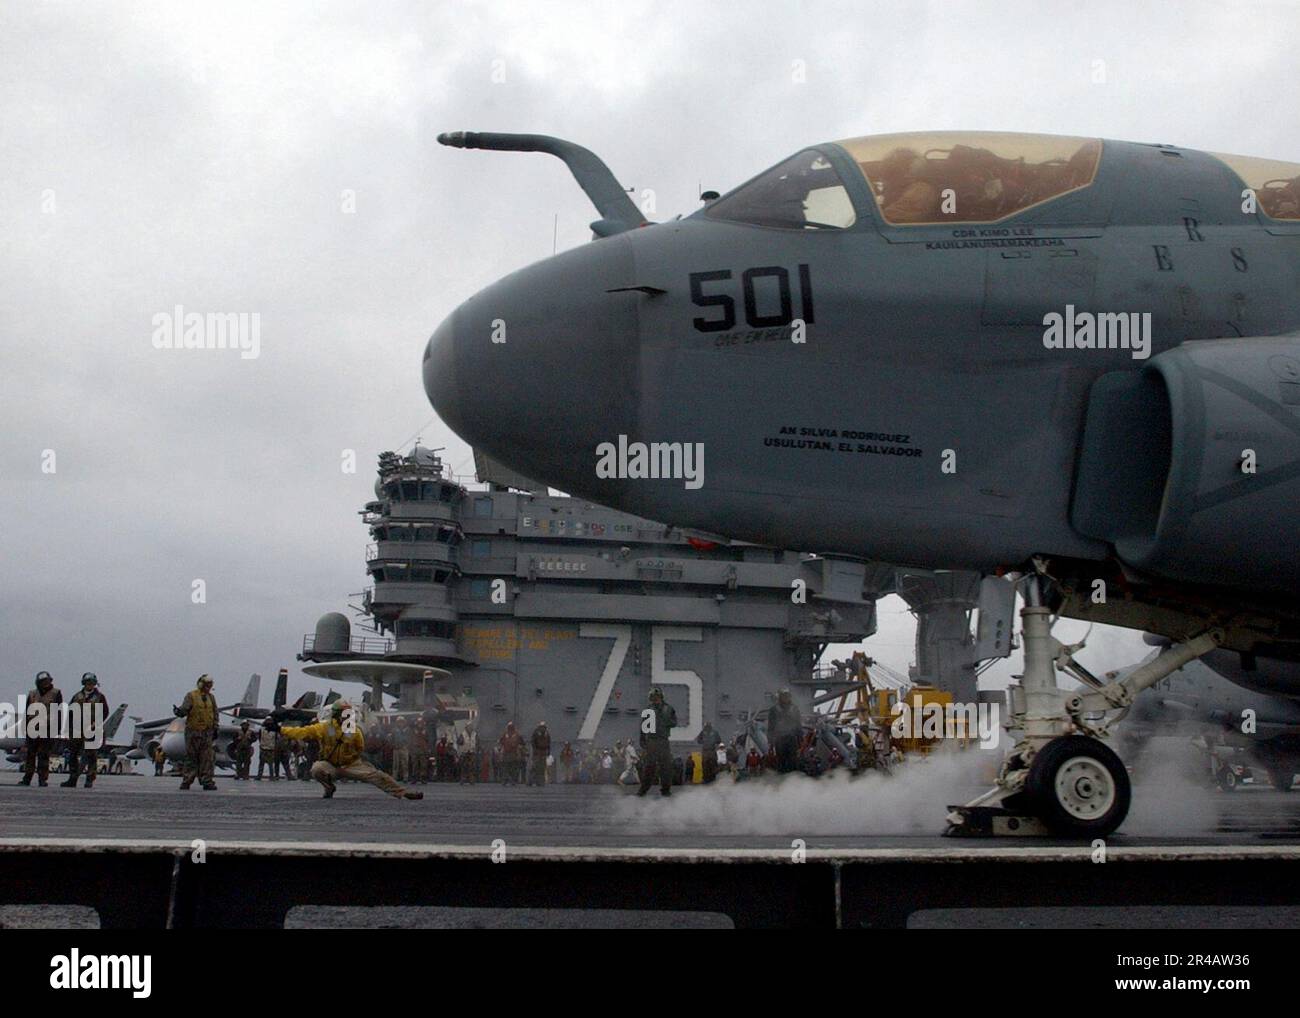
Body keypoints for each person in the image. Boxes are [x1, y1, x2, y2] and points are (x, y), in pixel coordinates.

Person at [272, 702, 422, 800]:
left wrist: (353, 759)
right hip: (331, 764)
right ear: (338, 714)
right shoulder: (325, 727)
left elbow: (360, 747)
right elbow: (303, 732)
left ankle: (402, 792)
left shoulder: (353, 729)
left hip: (351, 764)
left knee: (378, 776)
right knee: (317, 769)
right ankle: (329, 787)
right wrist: (280, 729)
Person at [63, 672, 109, 788]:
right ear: (84, 683)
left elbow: (104, 712)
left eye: (92, 683)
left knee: (91, 755)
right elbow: (70, 712)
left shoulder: (99, 697)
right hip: (77, 730)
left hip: (92, 730)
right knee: (72, 755)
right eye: (88, 683)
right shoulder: (77, 696)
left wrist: (95, 724)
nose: (90, 685)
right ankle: (73, 778)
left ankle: (89, 779)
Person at [175, 674, 219, 790]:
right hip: (193, 732)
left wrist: (215, 728)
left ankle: (207, 781)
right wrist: (179, 712)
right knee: (191, 757)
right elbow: (185, 709)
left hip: (207, 733)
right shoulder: (191, 696)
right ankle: (187, 781)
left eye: (210, 685)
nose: (208, 687)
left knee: (207, 758)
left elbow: (215, 713)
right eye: (207, 684)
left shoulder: (211, 698)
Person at [19, 671, 62, 787]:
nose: (46, 684)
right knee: (30, 754)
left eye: (47, 681)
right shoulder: (32, 694)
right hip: (33, 728)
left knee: (44, 755)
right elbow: (27, 712)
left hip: (47, 729)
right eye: (43, 682)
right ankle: (27, 778)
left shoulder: (56, 693)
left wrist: (56, 729)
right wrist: (25, 728)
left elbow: (58, 712)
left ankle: (42, 779)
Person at [637, 686, 677, 797]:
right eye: (654, 697)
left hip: (662, 741)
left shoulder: (667, 709)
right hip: (652, 741)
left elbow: (674, 723)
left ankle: (665, 790)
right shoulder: (654, 709)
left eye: (656, 697)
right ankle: (643, 790)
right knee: (649, 767)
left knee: (666, 767)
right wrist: (643, 740)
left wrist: (665, 722)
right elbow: (643, 727)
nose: (655, 699)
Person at [767, 689, 803, 774]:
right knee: (781, 761)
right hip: (779, 739)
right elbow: (771, 726)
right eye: (784, 696)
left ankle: (793, 780)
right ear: (780, 697)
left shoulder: (795, 709)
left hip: (792, 738)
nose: (786, 698)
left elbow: (798, 724)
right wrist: (770, 741)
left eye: (787, 696)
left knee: (793, 761)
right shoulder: (774, 710)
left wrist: (800, 739)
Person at [529, 721, 551, 786]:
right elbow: (533, 742)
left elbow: (548, 743)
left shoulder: (544, 734)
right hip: (540, 752)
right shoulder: (543, 733)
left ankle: (536, 781)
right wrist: (548, 751)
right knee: (537, 767)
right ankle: (535, 781)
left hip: (540, 752)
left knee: (539, 767)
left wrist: (548, 751)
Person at [392, 717, 410, 782]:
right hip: (396, 749)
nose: (400, 723)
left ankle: (405, 777)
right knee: (395, 764)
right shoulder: (394, 730)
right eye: (399, 722)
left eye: (402, 722)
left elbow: (409, 739)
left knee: (405, 764)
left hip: (404, 748)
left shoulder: (407, 730)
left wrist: (407, 745)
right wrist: (393, 745)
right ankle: (394, 777)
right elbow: (391, 739)